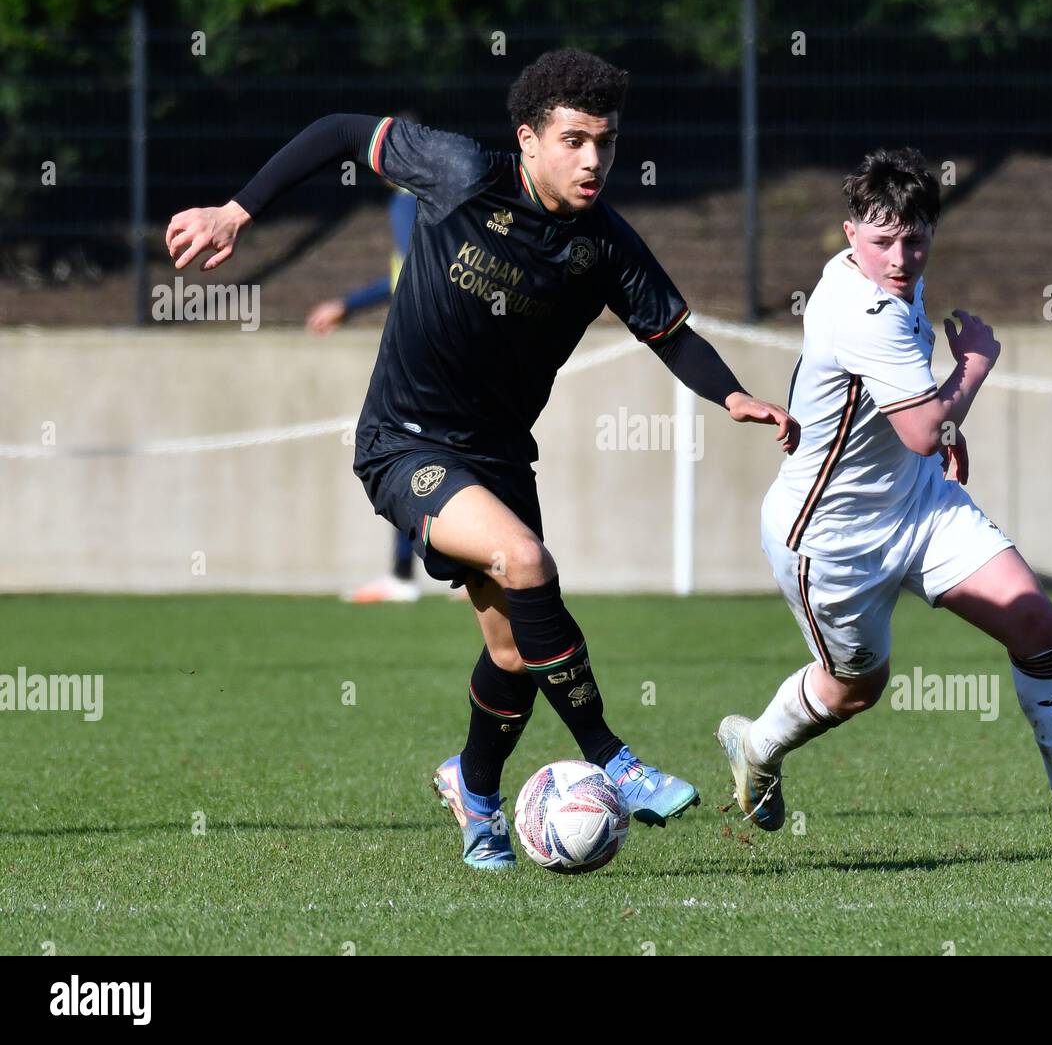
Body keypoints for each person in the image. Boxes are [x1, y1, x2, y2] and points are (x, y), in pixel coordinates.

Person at [165, 48, 799, 869]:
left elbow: (671, 335)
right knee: (526, 559)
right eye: (573, 140)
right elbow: (336, 133)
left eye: (605, 143)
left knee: (513, 651)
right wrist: (235, 211)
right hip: (405, 442)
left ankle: (475, 789)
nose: (592, 160)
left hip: (498, 458)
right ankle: (614, 756)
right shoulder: (459, 170)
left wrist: (733, 396)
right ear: (527, 139)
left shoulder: (604, 242)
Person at [717, 148, 1052, 852]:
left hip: (918, 504)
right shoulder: (860, 308)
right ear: (849, 231)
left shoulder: (897, 283)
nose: (900, 256)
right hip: (832, 537)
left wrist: (943, 426)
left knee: (1037, 623)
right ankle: (758, 748)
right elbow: (921, 426)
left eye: (915, 238)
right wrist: (974, 366)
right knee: (854, 690)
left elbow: (913, 419)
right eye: (883, 239)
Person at [305, 182, 425, 604]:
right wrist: (348, 304)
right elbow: (405, 274)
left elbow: (413, 271)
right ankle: (489, 567)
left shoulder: (408, 199)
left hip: (424, 351)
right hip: (454, 344)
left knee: (401, 453)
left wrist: (347, 305)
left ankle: (404, 574)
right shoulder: (449, 198)